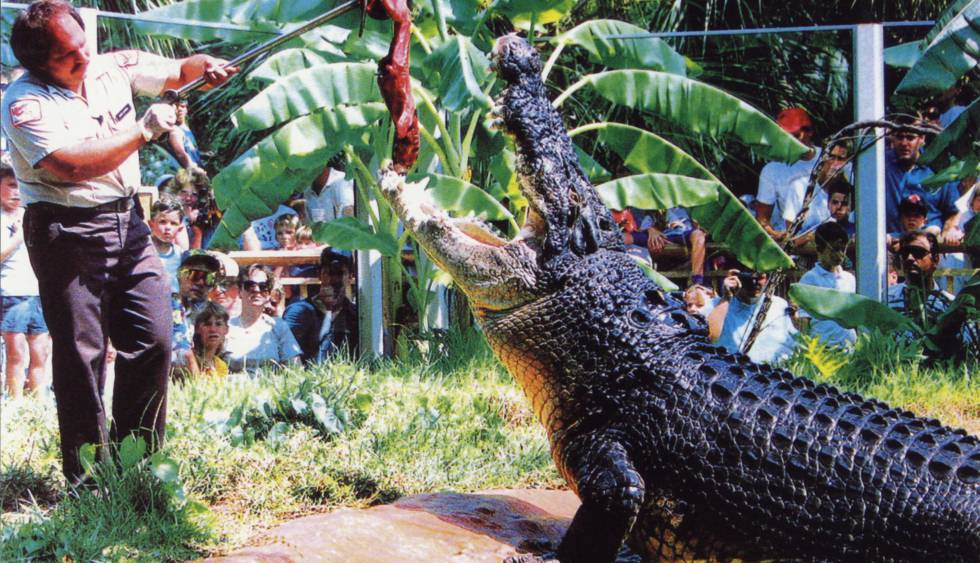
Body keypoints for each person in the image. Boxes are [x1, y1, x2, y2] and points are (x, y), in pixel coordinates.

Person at [0, 0, 237, 483]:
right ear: (38, 62)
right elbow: (71, 165)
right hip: (65, 231)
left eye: (83, 44)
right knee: (82, 354)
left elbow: (176, 71)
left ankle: (140, 464)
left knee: (154, 338)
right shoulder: (23, 102)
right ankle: (87, 478)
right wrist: (144, 129)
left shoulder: (113, 66)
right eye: (69, 56)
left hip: (128, 223)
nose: (84, 58)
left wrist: (203, 68)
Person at [1, 161, 50, 397]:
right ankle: (15, 402)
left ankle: (38, 403)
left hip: (37, 293)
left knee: (40, 352)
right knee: (16, 353)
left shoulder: (30, 214)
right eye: (11, 185)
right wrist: (20, 235)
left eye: (20, 185)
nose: (16, 192)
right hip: (10, 293)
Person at [884, 117, 960, 239]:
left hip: (928, 247)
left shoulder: (938, 168)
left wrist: (948, 233)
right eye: (899, 137)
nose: (904, 143)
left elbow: (954, 211)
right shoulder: (880, 165)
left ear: (922, 139)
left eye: (910, 138)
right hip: (889, 245)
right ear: (892, 137)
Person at [755, 108, 821, 241]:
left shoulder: (829, 158)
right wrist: (777, 235)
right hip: (794, 244)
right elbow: (762, 220)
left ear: (810, 132)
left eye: (796, 136)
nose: (790, 142)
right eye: (785, 137)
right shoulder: (772, 170)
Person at [708, 270, 798, 364]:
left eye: (759, 278)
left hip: (773, 374)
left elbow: (793, 342)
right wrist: (726, 298)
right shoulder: (716, 305)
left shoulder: (779, 304)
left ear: (766, 278)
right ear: (734, 277)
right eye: (748, 278)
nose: (754, 283)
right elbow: (710, 337)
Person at [224, 264, 302, 372]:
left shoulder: (278, 326)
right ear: (240, 291)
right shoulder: (226, 327)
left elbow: (295, 369)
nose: (256, 290)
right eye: (250, 285)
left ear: (269, 294)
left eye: (263, 287)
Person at [284, 250, 358, 363]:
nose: (334, 279)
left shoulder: (355, 314)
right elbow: (286, 353)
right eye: (329, 273)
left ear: (351, 276)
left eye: (340, 273)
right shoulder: (299, 312)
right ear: (319, 275)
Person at [796, 222, 857, 348]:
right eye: (834, 249)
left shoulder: (849, 279)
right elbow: (804, 319)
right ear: (819, 249)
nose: (840, 254)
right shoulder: (809, 280)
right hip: (823, 350)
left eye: (843, 248)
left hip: (849, 349)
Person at [148, 195, 184, 294]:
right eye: (163, 222)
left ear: (180, 228)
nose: (168, 227)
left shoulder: (180, 255)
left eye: (173, 223)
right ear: (151, 224)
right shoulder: (143, 251)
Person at [191, 301, 229, 378]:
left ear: (226, 329)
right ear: (197, 328)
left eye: (218, 324)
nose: (213, 329)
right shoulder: (190, 360)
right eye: (207, 324)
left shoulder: (221, 366)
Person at [207, 250, 241, 317]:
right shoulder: (195, 318)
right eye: (211, 284)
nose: (217, 290)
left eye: (225, 284)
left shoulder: (252, 316)